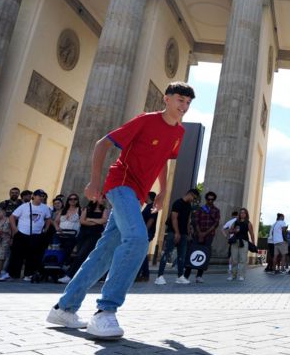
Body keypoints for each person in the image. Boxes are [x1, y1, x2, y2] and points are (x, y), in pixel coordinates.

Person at [48, 81, 194, 337]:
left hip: (137, 195)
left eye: (188, 103)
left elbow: (162, 161)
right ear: (167, 99)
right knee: (138, 239)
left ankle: (64, 308)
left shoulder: (179, 132)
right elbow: (102, 144)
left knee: (104, 253)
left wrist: (162, 192)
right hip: (120, 184)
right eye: (180, 100)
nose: (184, 106)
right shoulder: (146, 121)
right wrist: (95, 181)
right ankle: (105, 312)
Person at [5, 189, 53, 282]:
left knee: (33, 256)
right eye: (39, 196)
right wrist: (15, 230)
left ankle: (28, 274)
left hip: (36, 235)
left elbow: (48, 219)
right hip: (22, 234)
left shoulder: (45, 208)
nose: (41, 198)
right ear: (33, 196)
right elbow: (12, 217)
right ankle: (13, 274)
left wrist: (46, 229)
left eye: (43, 196)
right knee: (17, 255)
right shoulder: (24, 206)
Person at [154, 188, 200, 285]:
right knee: (166, 253)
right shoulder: (177, 203)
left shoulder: (189, 206)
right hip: (173, 233)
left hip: (183, 234)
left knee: (182, 256)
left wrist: (188, 233)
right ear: (190, 194)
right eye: (194, 198)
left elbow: (188, 220)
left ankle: (180, 277)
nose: (193, 200)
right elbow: (174, 218)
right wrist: (177, 232)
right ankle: (159, 277)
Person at [62, 198, 109, 282]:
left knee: (82, 254)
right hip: (84, 234)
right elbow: (82, 221)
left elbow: (104, 220)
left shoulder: (104, 209)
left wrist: (91, 219)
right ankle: (77, 275)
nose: (103, 200)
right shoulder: (87, 208)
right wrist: (96, 222)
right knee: (79, 254)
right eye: (102, 198)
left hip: (95, 235)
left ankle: (70, 275)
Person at [182, 191, 220, 282]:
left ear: (214, 200)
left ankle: (199, 276)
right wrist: (199, 233)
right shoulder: (200, 209)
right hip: (197, 235)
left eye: (212, 199)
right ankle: (186, 275)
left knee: (204, 254)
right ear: (206, 199)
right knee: (193, 253)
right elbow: (195, 221)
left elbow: (216, 224)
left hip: (209, 235)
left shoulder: (216, 210)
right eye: (208, 199)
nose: (210, 200)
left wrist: (205, 233)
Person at [228, 207, 255, 280]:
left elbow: (252, 234)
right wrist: (234, 230)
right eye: (241, 212)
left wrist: (253, 243)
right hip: (235, 241)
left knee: (243, 259)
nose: (242, 214)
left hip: (244, 242)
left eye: (244, 213)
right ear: (239, 214)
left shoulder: (248, 223)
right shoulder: (236, 222)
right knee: (234, 259)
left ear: (246, 214)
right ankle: (233, 275)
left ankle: (242, 275)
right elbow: (230, 231)